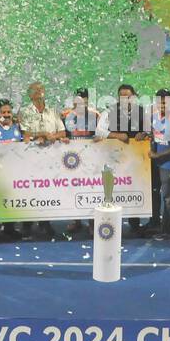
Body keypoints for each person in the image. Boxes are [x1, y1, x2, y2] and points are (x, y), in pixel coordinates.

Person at [18, 82, 66, 240]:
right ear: (30, 95)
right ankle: (27, 224)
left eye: (41, 90)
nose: (39, 92)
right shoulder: (24, 112)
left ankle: (45, 221)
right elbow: (25, 133)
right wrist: (43, 133)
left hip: (51, 157)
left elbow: (62, 132)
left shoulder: (53, 111)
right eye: (36, 91)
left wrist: (53, 136)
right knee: (29, 189)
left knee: (47, 189)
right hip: (30, 157)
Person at [105, 83, 148, 236]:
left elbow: (149, 130)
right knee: (114, 189)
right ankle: (111, 221)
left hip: (135, 159)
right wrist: (117, 135)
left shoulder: (141, 112)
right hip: (115, 157)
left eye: (128, 97)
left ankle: (134, 223)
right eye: (122, 96)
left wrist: (143, 133)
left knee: (134, 188)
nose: (125, 99)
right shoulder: (111, 112)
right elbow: (101, 132)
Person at [0, 99, 25, 243]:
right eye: (3, 112)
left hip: (12, 170)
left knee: (11, 196)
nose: (6, 115)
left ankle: (9, 227)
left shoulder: (17, 127)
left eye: (9, 112)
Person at [63, 88, 102, 234]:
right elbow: (62, 134)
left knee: (90, 189)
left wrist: (100, 137)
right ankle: (76, 220)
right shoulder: (66, 115)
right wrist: (64, 138)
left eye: (85, 102)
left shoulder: (95, 115)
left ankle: (92, 222)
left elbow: (102, 133)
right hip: (72, 158)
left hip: (90, 158)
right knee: (73, 189)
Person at [147, 88, 170, 240]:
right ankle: (154, 221)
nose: (162, 104)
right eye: (160, 101)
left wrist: (158, 155)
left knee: (168, 196)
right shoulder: (153, 115)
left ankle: (166, 229)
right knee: (154, 192)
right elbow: (152, 134)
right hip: (154, 162)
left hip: (167, 163)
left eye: (165, 101)